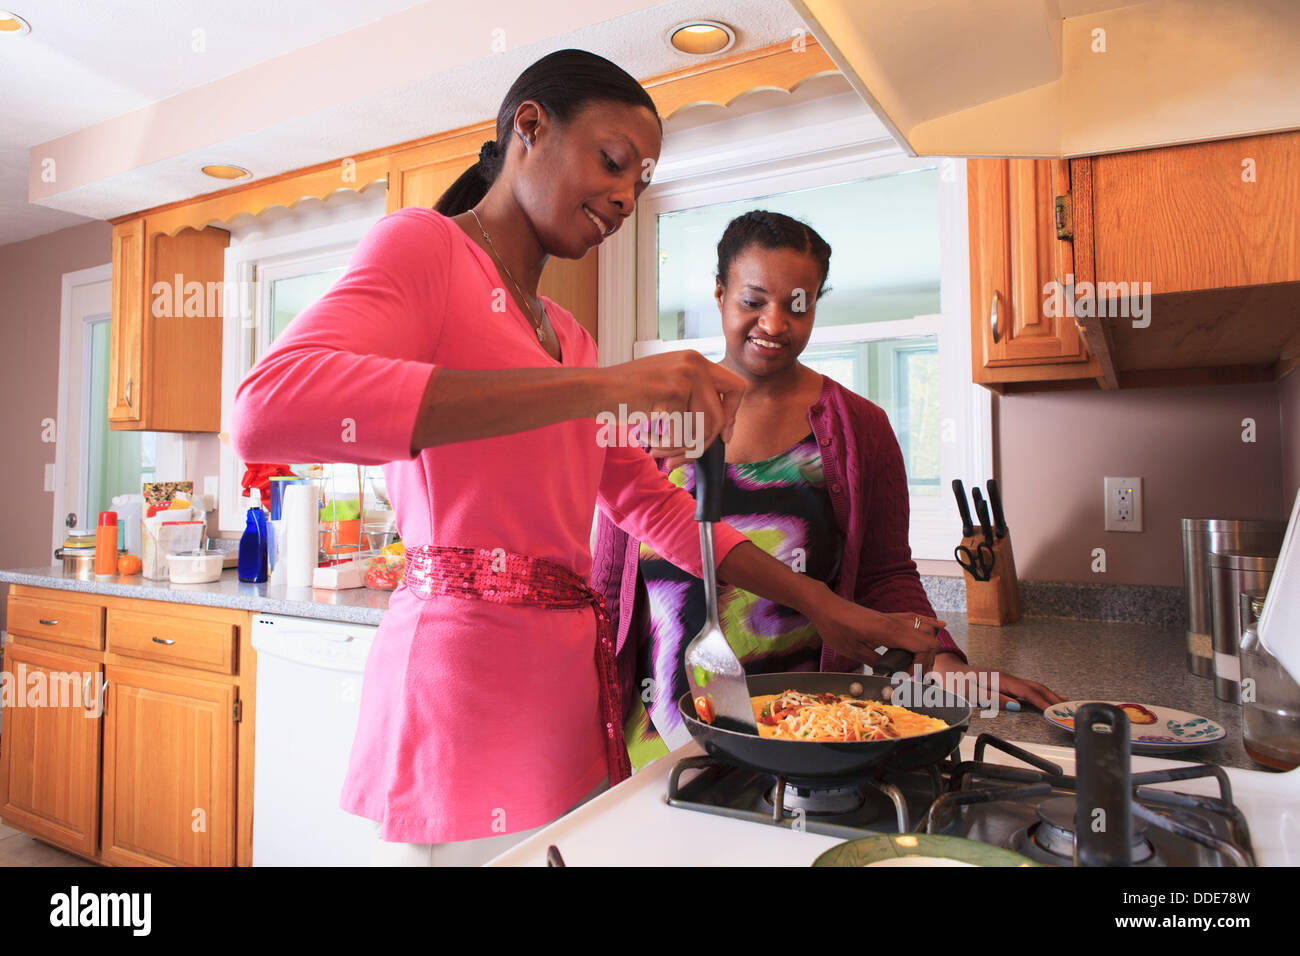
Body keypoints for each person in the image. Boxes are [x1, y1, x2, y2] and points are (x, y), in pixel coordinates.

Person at [230, 51, 949, 867]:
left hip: (572, 695)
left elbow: (655, 509)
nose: (623, 197)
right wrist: (596, 388)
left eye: (639, 183)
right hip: (465, 688)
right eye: (612, 163)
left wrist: (821, 604)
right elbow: (264, 411)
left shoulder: (566, 336)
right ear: (529, 128)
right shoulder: (425, 249)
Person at [592, 210, 1066, 767]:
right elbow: (607, 584)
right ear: (720, 293)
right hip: (653, 739)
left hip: (805, 732)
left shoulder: (857, 428)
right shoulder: (649, 422)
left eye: (798, 304)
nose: (775, 323)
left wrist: (941, 661)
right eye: (753, 301)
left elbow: (885, 573)